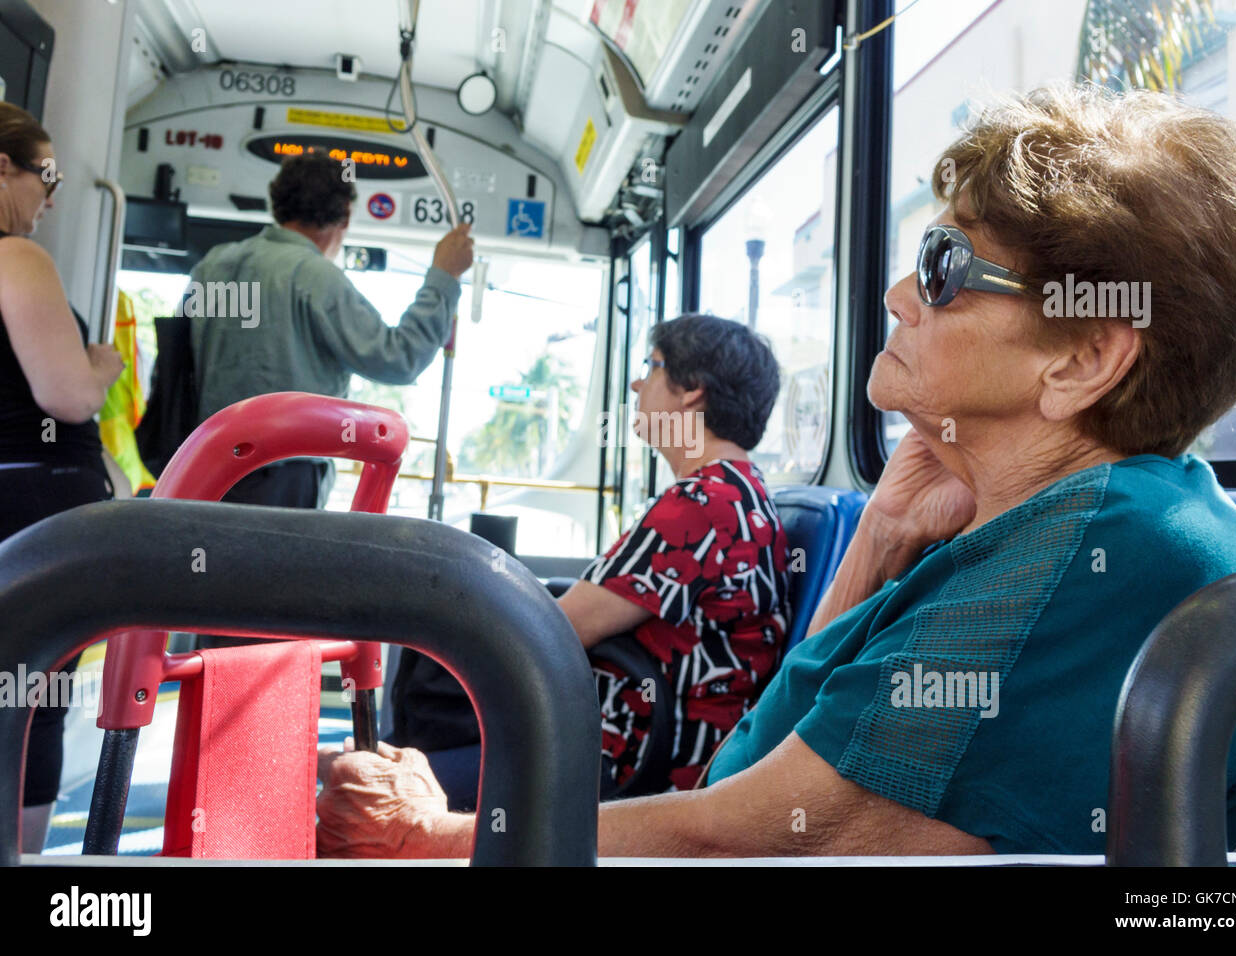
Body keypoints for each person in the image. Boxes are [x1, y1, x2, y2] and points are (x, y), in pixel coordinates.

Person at [317, 84, 1236, 858]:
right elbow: (757, 783)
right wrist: (874, 541)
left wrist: (430, 839)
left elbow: (760, 838)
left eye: (946, 265)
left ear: (1081, 359)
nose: (898, 291)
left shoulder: (1099, 546)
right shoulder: (995, 520)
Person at [388, 314, 791, 804]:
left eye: (653, 365)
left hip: (635, 760)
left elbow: (546, 636)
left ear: (693, 391)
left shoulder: (702, 506)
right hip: (647, 738)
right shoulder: (738, 492)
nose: (638, 382)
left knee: (384, 784)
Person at [187, 151, 474, 509]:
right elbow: (399, 358)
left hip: (202, 465)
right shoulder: (313, 276)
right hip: (280, 475)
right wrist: (443, 277)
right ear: (346, 214)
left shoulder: (213, 264)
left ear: (277, 204)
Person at [0, 102, 126, 853]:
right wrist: (102, 364)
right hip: (34, 501)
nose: (52, 197)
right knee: (34, 694)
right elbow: (66, 395)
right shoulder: (16, 258)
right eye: (44, 175)